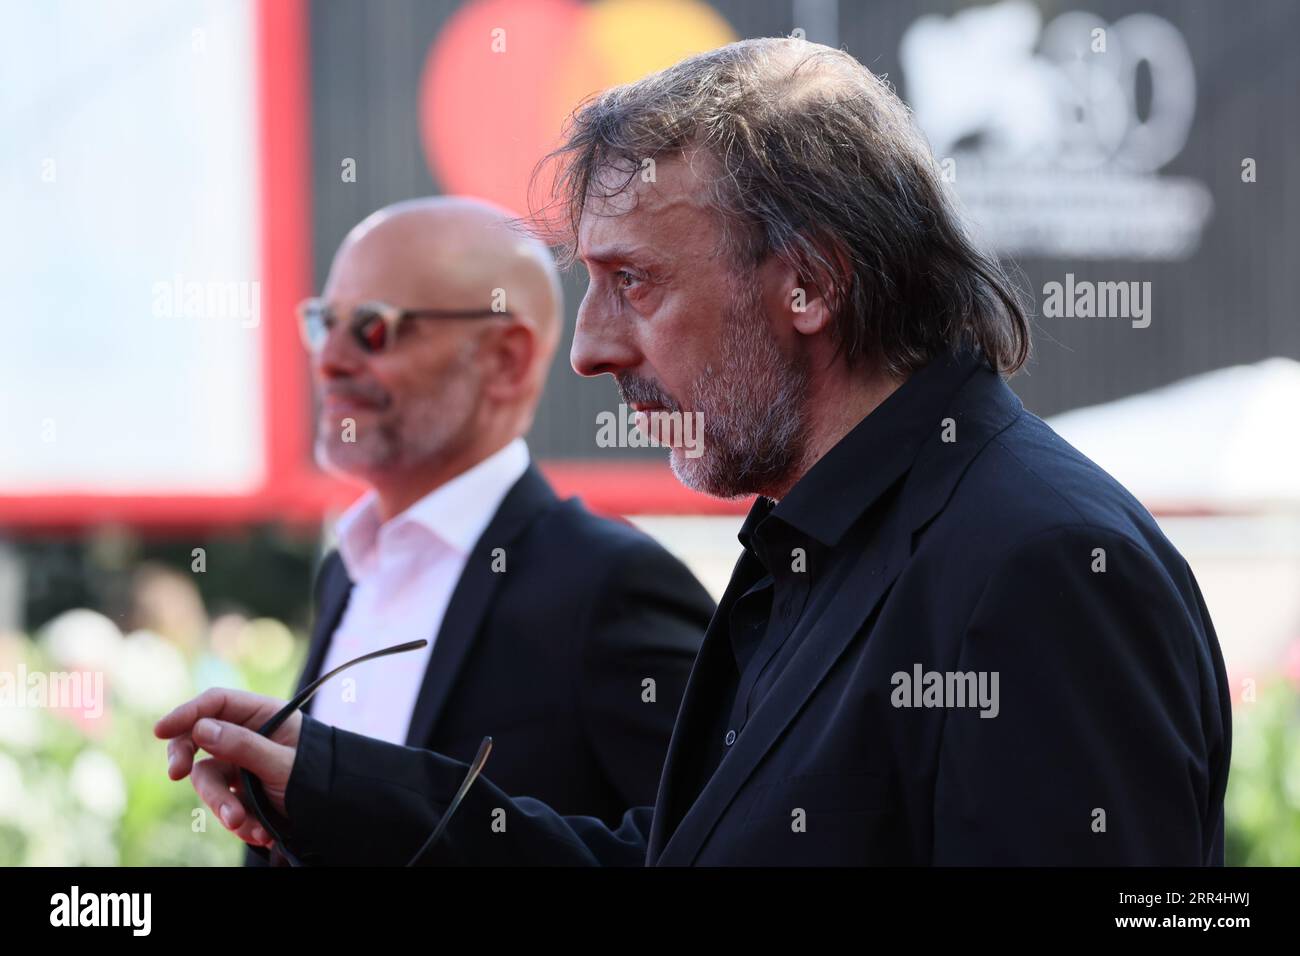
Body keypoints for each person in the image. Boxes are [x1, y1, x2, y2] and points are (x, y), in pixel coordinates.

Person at [159, 39, 1230, 866]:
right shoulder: (822, 540)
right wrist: (339, 788)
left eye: (632, 281)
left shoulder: (1036, 565)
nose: (586, 348)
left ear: (809, 281)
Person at [241, 196, 714, 862]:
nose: (330, 361)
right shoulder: (347, 570)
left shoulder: (610, 585)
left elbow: (704, 847)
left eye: (372, 328)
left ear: (505, 358)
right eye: (324, 324)